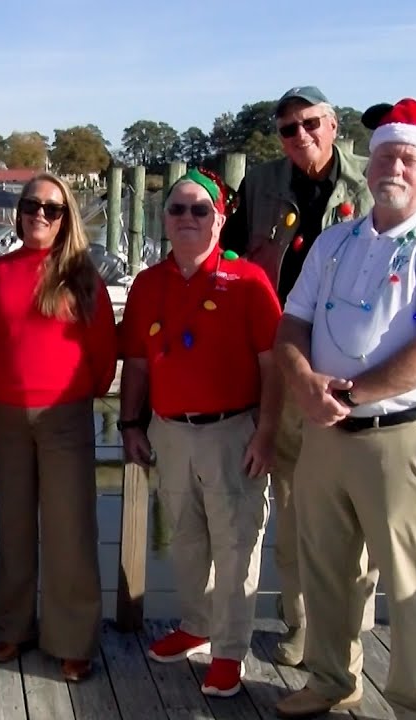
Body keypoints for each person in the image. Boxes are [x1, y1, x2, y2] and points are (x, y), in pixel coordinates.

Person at [274, 99, 416, 720]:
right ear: (367, 168)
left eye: (411, 160)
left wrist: (348, 394)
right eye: (387, 155)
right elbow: (292, 323)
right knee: (325, 569)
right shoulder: (334, 241)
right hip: (325, 432)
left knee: (411, 580)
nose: (395, 167)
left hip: (406, 436)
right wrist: (305, 383)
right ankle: (331, 680)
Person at [221, 85, 378, 666]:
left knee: (356, 514)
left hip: (354, 372)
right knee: (290, 511)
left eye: (311, 123)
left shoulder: (371, 181)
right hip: (285, 362)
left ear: (333, 125)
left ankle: (350, 635)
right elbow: (226, 256)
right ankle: (301, 626)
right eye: (288, 128)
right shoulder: (260, 183)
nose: (301, 135)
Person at [118, 168, 280, 698]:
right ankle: (197, 624)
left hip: (233, 432)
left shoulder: (248, 280)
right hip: (168, 431)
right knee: (185, 538)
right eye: (177, 209)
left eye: (199, 209)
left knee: (235, 546)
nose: (187, 217)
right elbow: (136, 363)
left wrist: (266, 435)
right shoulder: (147, 284)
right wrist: (130, 423)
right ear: (163, 219)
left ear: (220, 218)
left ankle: (229, 650)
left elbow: (274, 365)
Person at [0, 173, 117, 683]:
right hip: (6, 415)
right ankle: (14, 627)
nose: (40, 214)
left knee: (69, 529)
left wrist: (76, 393)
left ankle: (72, 640)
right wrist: (5, 386)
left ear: (65, 218)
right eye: (32, 205)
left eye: (52, 209)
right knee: (13, 526)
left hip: (65, 416)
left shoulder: (82, 276)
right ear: (19, 212)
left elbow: (104, 352)